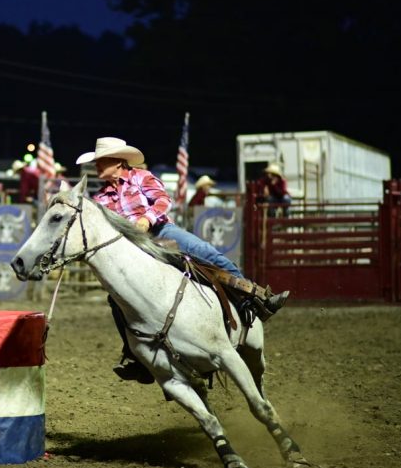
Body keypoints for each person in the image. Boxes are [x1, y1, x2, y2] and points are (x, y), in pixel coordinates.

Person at [75, 136, 289, 382]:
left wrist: (147, 219)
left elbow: (163, 200)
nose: (97, 166)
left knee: (207, 253)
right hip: (133, 247)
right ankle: (136, 354)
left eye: (101, 161)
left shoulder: (141, 177)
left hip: (161, 231)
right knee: (117, 297)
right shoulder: (100, 198)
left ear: (118, 162)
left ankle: (255, 297)